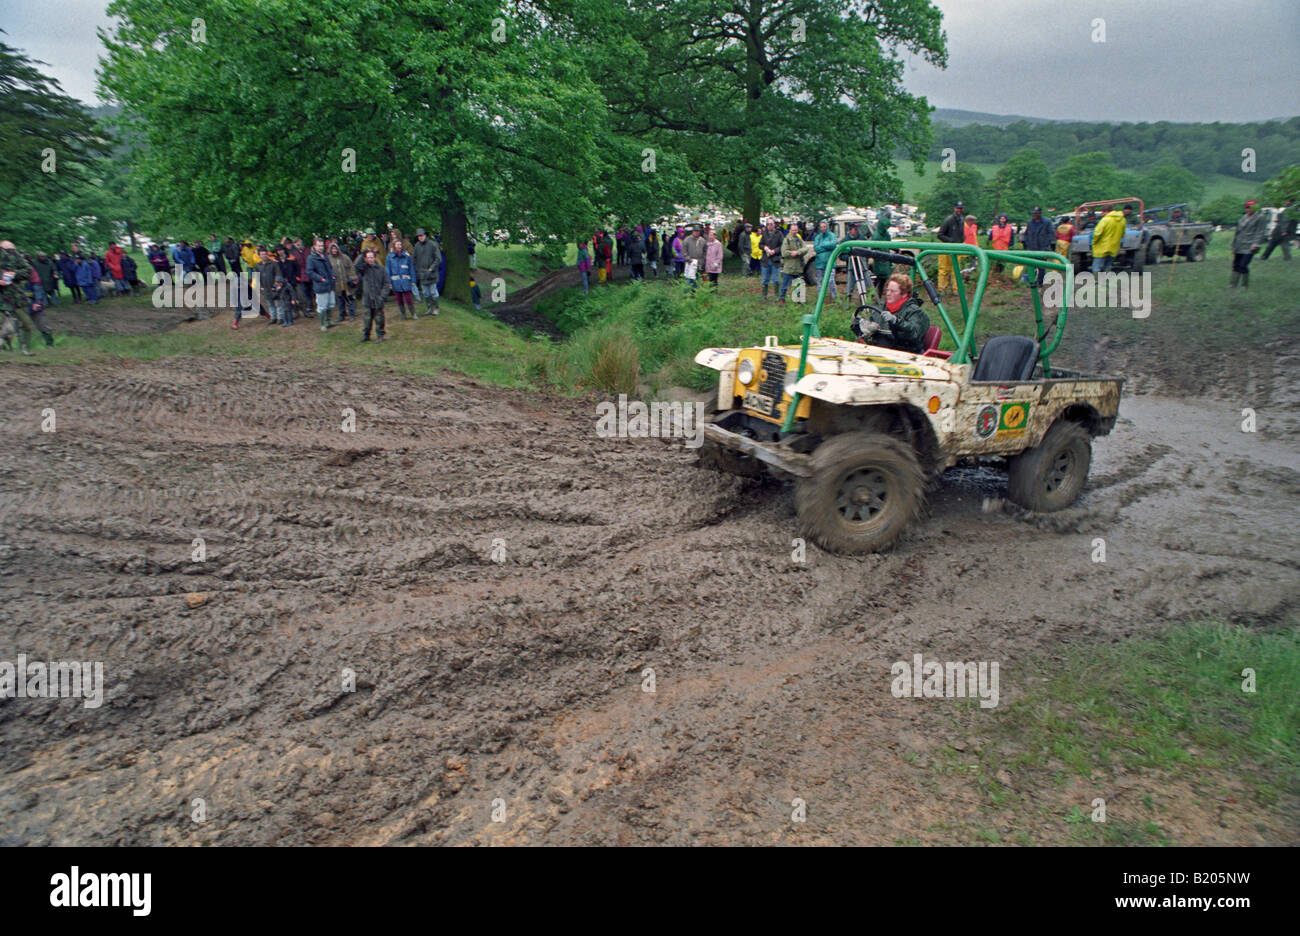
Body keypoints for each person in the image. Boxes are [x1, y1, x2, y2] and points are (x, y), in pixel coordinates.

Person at [852, 272, 929, 354]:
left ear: (904, 294)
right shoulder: (882, 307)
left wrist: (896, 321)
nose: (888, 294)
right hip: (881, 350)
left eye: (893, 291)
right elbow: (868, 334)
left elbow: (914, 334)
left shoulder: (916, 312)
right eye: (887, 290)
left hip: (905, 353)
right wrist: (859, 324)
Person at [0, 240, 36, 355]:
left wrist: (14, 274)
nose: (10, 252)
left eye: (11, 249)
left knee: (26, 324)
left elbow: (28, 270)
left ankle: (24, 349)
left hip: (15, 296)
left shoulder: (16, 256)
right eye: (7, 249)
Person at [1230, 200, 1269, 288]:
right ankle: (1233, 284)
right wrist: (1233, 244)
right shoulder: (1242, 218)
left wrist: (1256, 244)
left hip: (1250, 244)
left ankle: (1244, 285)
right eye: (1247, 207)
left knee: (1243, 264)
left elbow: (1260, 232)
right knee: (1236, 264)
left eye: (1251, 207)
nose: (1249, 209)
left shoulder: (1260, 218)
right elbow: (1237, 232)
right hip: (1239, 244)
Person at [306, 238, 337, 331]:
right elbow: (309, 272)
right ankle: (322, 324)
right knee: (322, 306)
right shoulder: (311, 258)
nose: (321, 247)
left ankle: (329, 321)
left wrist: (332, 275)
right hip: (320, 285)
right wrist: (320, 278)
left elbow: (330, 268)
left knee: (331, 304)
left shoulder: (324, 255)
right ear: (314, 246)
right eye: (319, 245)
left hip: (330, 284)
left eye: (322, 245)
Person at [357, 250, 388, 342]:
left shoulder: (381, 269)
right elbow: (356, 265)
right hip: (367, 298)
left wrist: (382, 297)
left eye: (371, 257)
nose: (370, 259)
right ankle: (366, 335)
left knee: (379, 318)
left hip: (378, 298)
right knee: (367, 319)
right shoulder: (364, 269)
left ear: (374, 258)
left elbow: (386, 284)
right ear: (365, 259)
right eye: (368, 257)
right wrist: (363, 254)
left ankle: (380, 335)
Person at [1090, 205, 1129, 273]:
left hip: (1101, 248)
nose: (1102, 214)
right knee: (1107, 266)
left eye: (1102, 212)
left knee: (1096, 267)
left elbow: (1097, 233)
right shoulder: (1122, 220)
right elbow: (1122, 233)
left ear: (1106, 211)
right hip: (1114, 247)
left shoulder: (1105, 220)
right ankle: (1105, 281)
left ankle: (1097, 281)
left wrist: (1094, 242)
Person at [411, 228, 441, 316]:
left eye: (421, 235)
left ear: (425, 235)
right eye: (418, 236)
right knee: (425, 293)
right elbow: (414, 259)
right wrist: (416, 270)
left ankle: (436, 308)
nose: (420, 237)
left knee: (433, 292)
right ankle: (429, 308)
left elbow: (438, 259)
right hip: (422, 274)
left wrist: (431, 268)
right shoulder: (416, 246)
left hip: (432, 273)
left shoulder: (433, 244)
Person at [936, 201, 965, 292]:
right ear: (954, 208)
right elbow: (940, 234)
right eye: (958, 208)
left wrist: (962, 239)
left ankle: (956, 289)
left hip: (957, 249)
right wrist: (951, 241)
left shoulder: (961, 220)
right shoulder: (948, 220)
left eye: (961, 208)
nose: (959, 210)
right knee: (943, 269)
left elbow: (961, 234)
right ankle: (942, 289)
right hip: (946, 248)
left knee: (956, 270)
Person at [385, 238, 417, 318]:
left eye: (400, 244)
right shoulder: (389, 257)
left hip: (406, 281)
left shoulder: (406, 256)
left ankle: (413, 314)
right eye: (397, 245)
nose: (399, 246)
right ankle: (403, 314)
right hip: (395, 282)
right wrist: (389, 282)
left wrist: (413, 280)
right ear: (394, 246)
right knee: (399, 299)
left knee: (408, 298)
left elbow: (411, 269)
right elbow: (388, 270)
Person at [329, 242, 357, 320]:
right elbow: (328, 270)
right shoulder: (329, 259)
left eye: (335, 248)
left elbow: (351, 267)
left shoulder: (345, 257)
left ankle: (352, 314)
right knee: (340, 299)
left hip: (347, 281)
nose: (334, 250)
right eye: (332, 249)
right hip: (337, 283)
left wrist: (352, 277)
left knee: (349, 298)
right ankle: (342, 315)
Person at [778, 221, 805, 302]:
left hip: (798, 266)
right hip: (788, 267)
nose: (795, 231)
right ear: (790, 230)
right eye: (793, 230)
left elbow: (805, 248)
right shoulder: (786, 240)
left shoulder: (799, 239)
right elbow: (784, 252)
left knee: (798, 284)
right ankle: (782, 299)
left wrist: (798, 252)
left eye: (796, 230)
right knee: (785, 285)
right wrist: (792, 253)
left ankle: (798, 300)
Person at [812, 219, 839, 299]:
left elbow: (833, 245)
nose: (823, 228)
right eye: (821, 227)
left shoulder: (832, 235)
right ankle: (820, 298)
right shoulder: (818, 237)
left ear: (827, 226)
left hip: (830, 263)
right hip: (819, 263)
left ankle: (835, 297)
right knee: (820, 282)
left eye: (824, 226)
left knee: (831, 281)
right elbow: (816, 248)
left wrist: (822, 245)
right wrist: (827, 246)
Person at [759, 219, 783, 299]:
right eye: (768, 224)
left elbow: (782, 246)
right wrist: (764, 247)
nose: (770, 225)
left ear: (774, 225)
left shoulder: (779, 234)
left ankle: (777, 296)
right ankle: (764, 295)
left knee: (776, 279)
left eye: (771, 224)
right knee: (765, 279)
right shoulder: (764, 233)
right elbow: (760, 245)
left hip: (775, 260)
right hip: (765, 260)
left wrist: (775, 251)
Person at [988, 213, 1014, 278]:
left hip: (1004, 248)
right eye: (1001, 218)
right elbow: (990, 238)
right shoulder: (994, 228)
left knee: (1002, 263)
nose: (1002, 220)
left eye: (1004, 218)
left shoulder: (1010, 228)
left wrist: (1011, 246)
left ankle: (999, 275)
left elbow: (1012, 239)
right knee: (995, 262)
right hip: (995, 248)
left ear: (1006, 219)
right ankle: (994, 275)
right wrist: (988, 243)